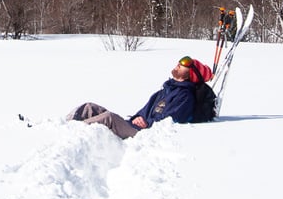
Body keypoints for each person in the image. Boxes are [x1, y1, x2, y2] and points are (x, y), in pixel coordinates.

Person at [67, 55, 214, 140]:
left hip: (144, 133)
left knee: (109, 118)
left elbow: (170, 120)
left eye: (184, 64)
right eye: (179, 62)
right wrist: (137, 117)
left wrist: (146, 122)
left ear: (191, 73)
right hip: (134, 124)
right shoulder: (166, 90)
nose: (178, 64)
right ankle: (65, 128)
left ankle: (73, 134)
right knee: (89, 107)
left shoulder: (185, 97)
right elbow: (145, 110)